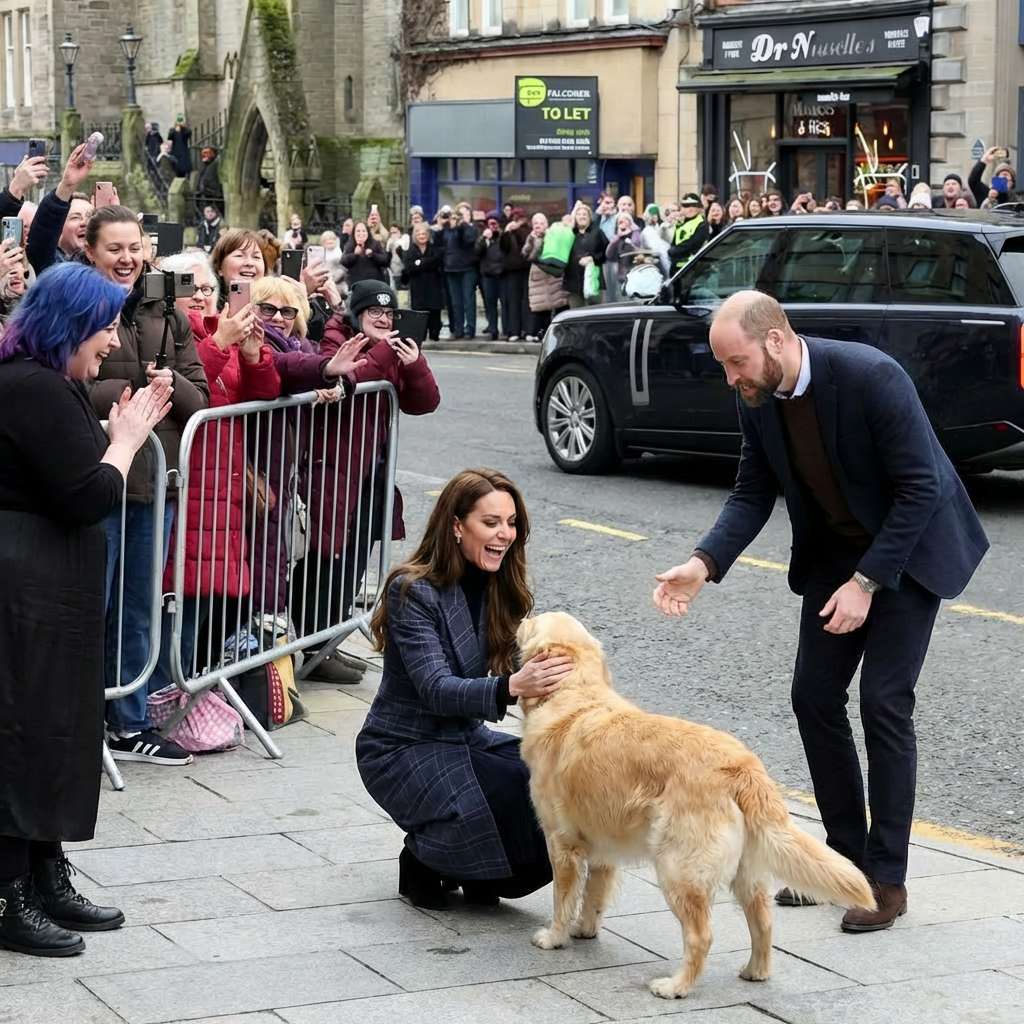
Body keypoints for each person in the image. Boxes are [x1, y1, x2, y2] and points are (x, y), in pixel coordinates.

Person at [652, 290, 989, 933]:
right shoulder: (757, 397)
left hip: (909, 548)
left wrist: (868, 581)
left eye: (736, 361)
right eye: (724, 365)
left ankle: (885, 880)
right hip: (837, 551)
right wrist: (703, 563)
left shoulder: (870, 376)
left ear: (775, 340)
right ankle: (842, 861)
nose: (731, 377)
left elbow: (920, 486)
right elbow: (752, 491)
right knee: (812, 695)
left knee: (885, 702)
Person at [0, 262, 172, 956]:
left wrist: (111, 434)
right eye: (104, 325)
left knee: (53, 731)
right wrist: (126, 440)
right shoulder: (31, 387)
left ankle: (46, 875)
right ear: (70, 324)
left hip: (47, 582)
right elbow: (89, 494)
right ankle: (8, 895)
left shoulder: (48, 383)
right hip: (25, 586)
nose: (110, 339)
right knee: (22, 734)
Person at [356, 468, 573, 909]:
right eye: (490, 523)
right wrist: (512, 685)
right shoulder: (411, 590)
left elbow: (524, 668)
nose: (505, 534)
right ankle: (423, 859)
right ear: (457, 525)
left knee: (558, 780)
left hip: (463, 738)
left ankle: (471, 868)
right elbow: (436, 689)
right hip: (401, 745)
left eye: (511, 523)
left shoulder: (503, 588)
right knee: (514, 791)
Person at [82, 205, 211, 765]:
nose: (127, 258)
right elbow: (68, 385)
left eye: (134, 247)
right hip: (98, 479)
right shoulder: (77, 303)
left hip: (155, 487)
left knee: (138, 608)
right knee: (92, 604)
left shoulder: (168, 312)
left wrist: (171, 381)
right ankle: (78, 718)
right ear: (91, 252)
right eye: (114, 248)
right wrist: (133, 388)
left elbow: (201, 400)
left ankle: (129, 723)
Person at [301, 281, 441, 647]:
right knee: (325, 562)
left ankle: (329, 644)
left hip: (371, 470)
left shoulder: (391, 349)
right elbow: (348, 379)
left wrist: (415, 363)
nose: (383, 318)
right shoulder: (337, 338)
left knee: (354, 561)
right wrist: (385, 354)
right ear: (356, 313)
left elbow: (424, 402)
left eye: (389, 312)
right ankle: (315, 647)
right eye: (373, 312)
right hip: (332, 467)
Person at [522, 212, 568, 342]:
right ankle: (540, 333)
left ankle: (560, 334)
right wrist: (533, 240)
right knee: (541, 307)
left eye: (541, 223)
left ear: (546, 224)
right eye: (536, 223)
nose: (538, 225)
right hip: (538, 277)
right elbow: (527, 256)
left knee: (559, 304)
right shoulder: (531, 239)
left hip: (553, 275)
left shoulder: (553, 235)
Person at [441, 202, 481, 339]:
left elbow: (468, 240)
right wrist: (447, 225)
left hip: (467, 268)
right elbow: (441, 244)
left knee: (468, 300)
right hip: (451, 269)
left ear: (469, 215)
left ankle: (470, 329)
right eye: (459, 213)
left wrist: (462, 225)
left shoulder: (471, 228)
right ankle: (458, 329)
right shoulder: (448, 229)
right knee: (456, 303)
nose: (461, 216)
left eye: (464, 214)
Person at [403, 221, 445, 342]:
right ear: (415, 236)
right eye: (419, 234)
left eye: (424, 234)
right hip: (418, 287)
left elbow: (436, 262)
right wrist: (425, 264)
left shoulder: (434, 248)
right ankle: (421, 336)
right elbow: (409, 267)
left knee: (434, 311)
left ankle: (434, 334)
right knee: (419, 313)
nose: (422, 236)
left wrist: (421, 263)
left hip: (433, 285)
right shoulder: (411, 250)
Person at [563, 202, 606, 309]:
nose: (582, 217)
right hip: (573, 279)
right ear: (575, 217)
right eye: (579, 214)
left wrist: (593, 258)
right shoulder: (569, 233)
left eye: (584, 214)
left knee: (595, 310)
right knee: (576, 311)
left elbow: (606, 251)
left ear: (589, 217)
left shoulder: (597, 232)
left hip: (593, 278)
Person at [499, 208, 531, 341]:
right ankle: (514, 331)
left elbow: (524, 245)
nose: (516, 221)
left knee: (527, 301)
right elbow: (503, 248)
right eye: (514, 218)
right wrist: (505, 233)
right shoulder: (508, 231)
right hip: (512, 269)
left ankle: (527, 329)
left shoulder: (527, 231)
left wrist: (517, 231)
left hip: (526, 268)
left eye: (519, 218)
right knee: (513, 301)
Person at [479, 212, 506, 339]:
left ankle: (506, 330)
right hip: (488, 275)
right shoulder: (484, 238)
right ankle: (493, 329)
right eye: (490, 224)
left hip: (502, 274)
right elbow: (476, 253)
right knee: (490, 305)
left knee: (505, 304)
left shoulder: (504, 237)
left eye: (495, 223)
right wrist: (483, 239)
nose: (492, 226)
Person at [668, 193, 708, 274]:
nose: (689, 209)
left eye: (693, 205)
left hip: (693, 267)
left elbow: (693, 244)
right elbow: (674, 241)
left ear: (699, 208)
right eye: (685, 206)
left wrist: (673, 251)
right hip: (677, 267)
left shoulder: (701, 223)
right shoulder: (680, 222)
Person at [605, 212, 643, 291]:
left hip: (635, 271)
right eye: (620, 222)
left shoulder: (637, 234)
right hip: (621, 274)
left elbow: (638, 251)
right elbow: (608, 254)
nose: (623, 224)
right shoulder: (616, 238)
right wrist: (618, 237)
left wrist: (630, 243)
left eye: (626, 221)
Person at [194, 146, 224, 214]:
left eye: (208, 153)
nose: (205, 156)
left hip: (213, 195)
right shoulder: (203, 166)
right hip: (203, 195)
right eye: (203, 154)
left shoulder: (216, 165)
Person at [386, 222, 409, 293]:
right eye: (391, 233)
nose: (393, 235)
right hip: (394, 270)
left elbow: (406, 256)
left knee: (404, 293)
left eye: (395, 232)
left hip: (404, 271)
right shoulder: (390, 242)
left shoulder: (405, 240)